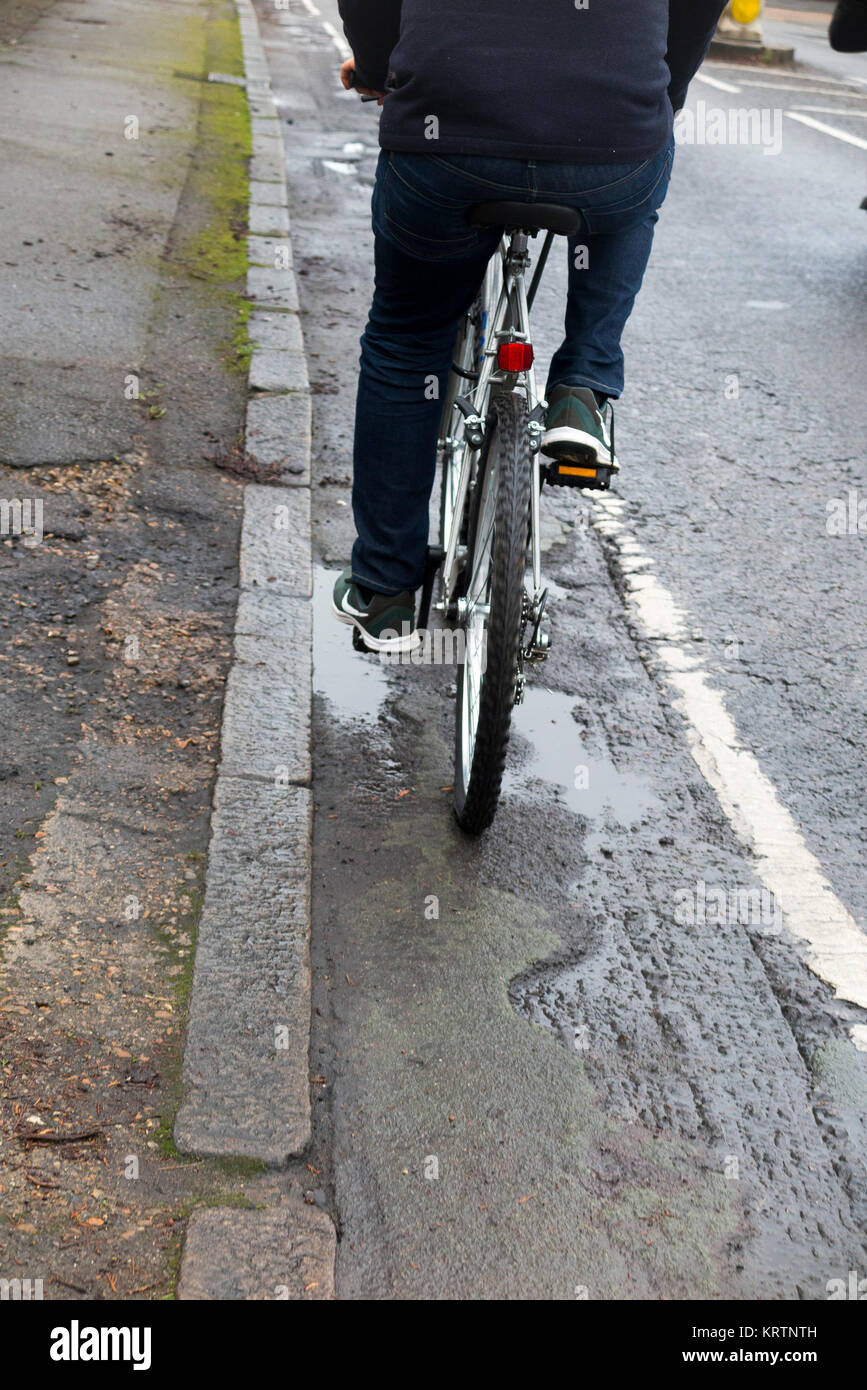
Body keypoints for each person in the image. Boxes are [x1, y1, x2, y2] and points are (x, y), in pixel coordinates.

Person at [333, 0, 728, 652]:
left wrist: (377, 69)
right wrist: (659, 89)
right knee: (637, 173)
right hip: (610, 149)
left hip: (444, 142)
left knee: (407, 342)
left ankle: (386, 595)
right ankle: (581, 388)